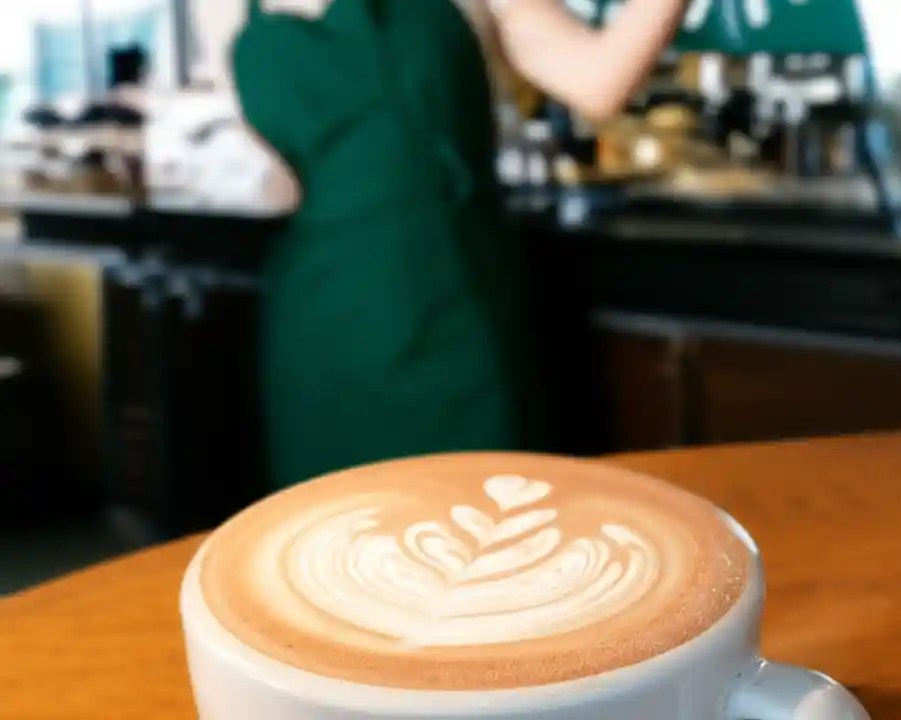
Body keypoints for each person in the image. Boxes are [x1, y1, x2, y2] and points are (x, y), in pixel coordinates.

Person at [228, 0, 688, 489]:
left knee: (486, 518)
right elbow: (282, 173)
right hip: (320, 331)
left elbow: (601, 81)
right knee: (329, 536)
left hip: (452, 314)